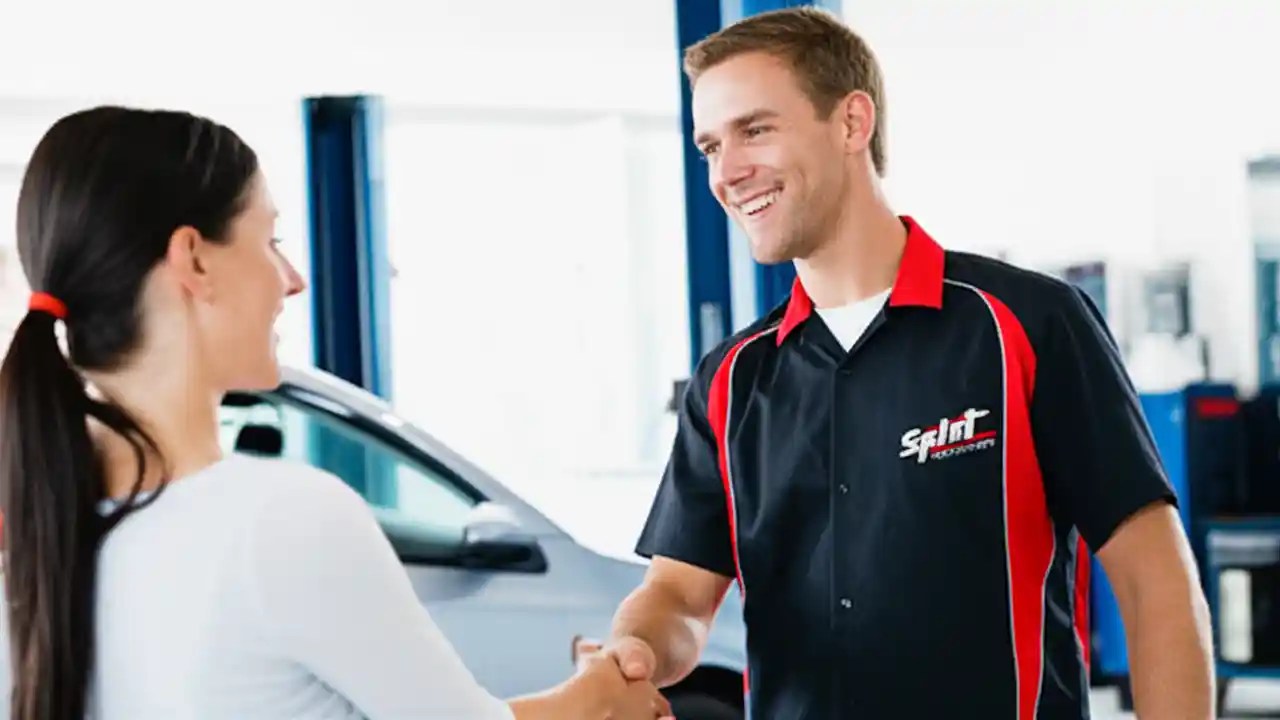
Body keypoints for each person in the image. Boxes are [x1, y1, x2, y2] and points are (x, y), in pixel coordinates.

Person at [599, 7, 1215, 719]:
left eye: (755, 130)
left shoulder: (1026, 324)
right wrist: (634, 649)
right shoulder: (731, 381)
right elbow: (678, 595)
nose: (727, 172)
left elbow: (1153, 581)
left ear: (852, 123)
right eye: (709, 146)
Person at [0, 106, 673, 720]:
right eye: (270, 241)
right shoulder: (277, 517)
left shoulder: (47, 525)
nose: (291, 279)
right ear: (195, 260)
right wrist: (599, 696)